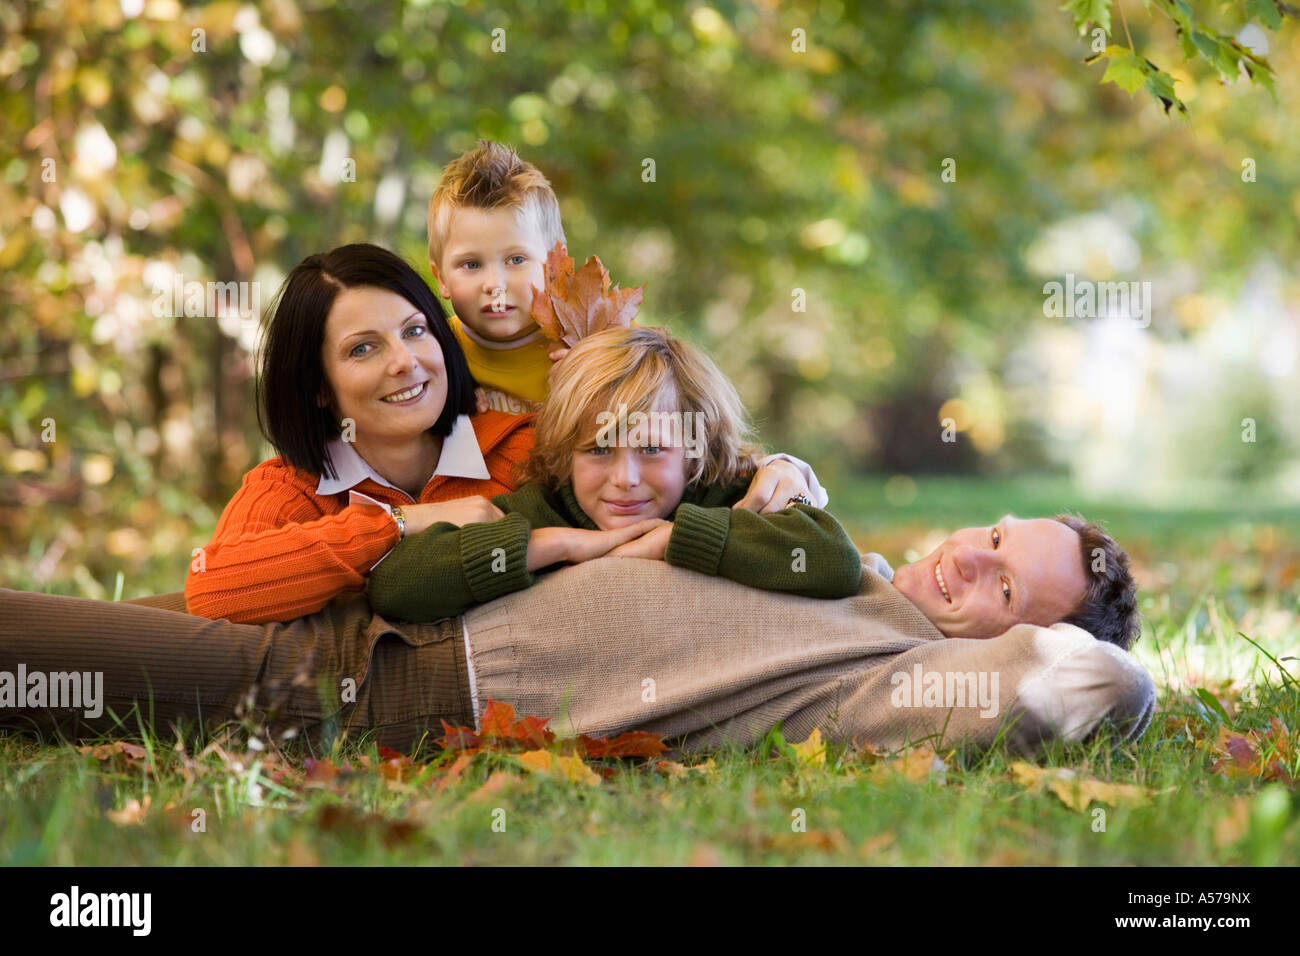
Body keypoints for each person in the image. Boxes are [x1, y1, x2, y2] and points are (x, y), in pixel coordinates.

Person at [0, 512, 1154, 758]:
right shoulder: (846, 567)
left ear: (1006, 636)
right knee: (83, 635)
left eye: (1007, 584)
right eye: (994, 533)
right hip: (388, 598)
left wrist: (1106, 640)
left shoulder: (895, 672)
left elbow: (1088, 676)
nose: (972, 557)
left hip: (386, 680)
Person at [184, 243, 820, 624]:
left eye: (414, 331)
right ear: (319, 385)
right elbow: (214, 590)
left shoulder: (519, 445)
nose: (404, 362)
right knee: (143, 626)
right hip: (318, 683)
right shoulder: (291, 489)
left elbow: (647, 426)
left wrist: (786, 469)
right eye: (362, 350)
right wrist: (401, 525)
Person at [368, 326, 864, 622]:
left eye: (652, 449)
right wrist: (557, 546)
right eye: (599, 451)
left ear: (694, 452)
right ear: (565, 454)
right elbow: (395, 583)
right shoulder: (545, 508)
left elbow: (834, 560)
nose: (625, 478)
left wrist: (673, 540)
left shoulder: (719, 495)